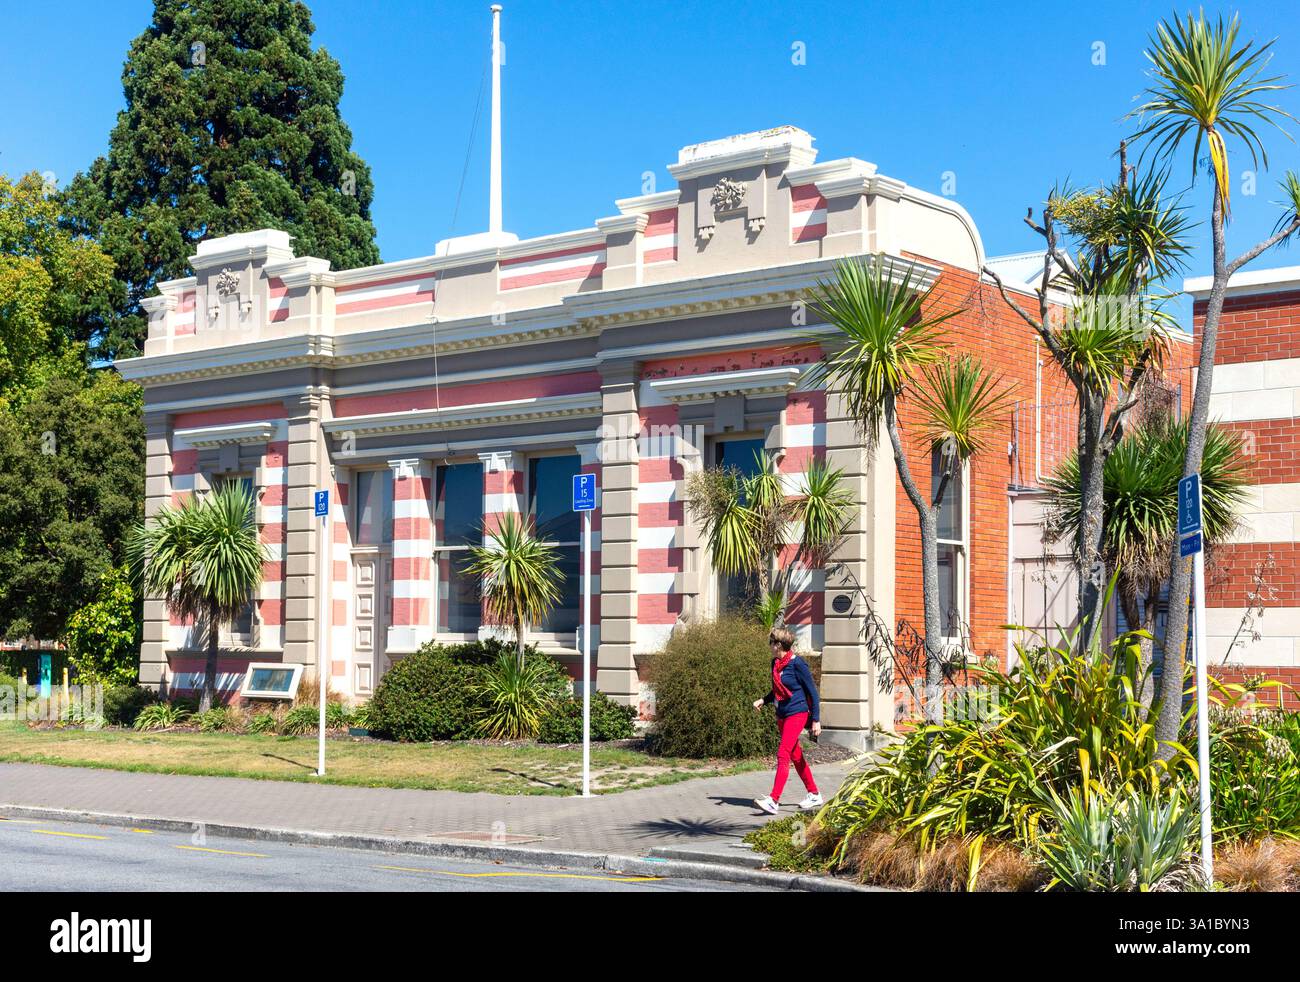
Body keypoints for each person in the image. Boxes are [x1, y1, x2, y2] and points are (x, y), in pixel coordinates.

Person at [751, 626, 821, 814]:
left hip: (797, 713)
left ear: (779, 645)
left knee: (783, 753)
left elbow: (813, 693)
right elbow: (777, 689)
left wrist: (816, 720)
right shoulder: (775, 663)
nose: (770, 645)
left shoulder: (798, 664)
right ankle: (814, 793)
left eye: (771, 642)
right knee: (796, 756)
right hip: (781, 714)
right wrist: (763, 700)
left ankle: (774, 800)